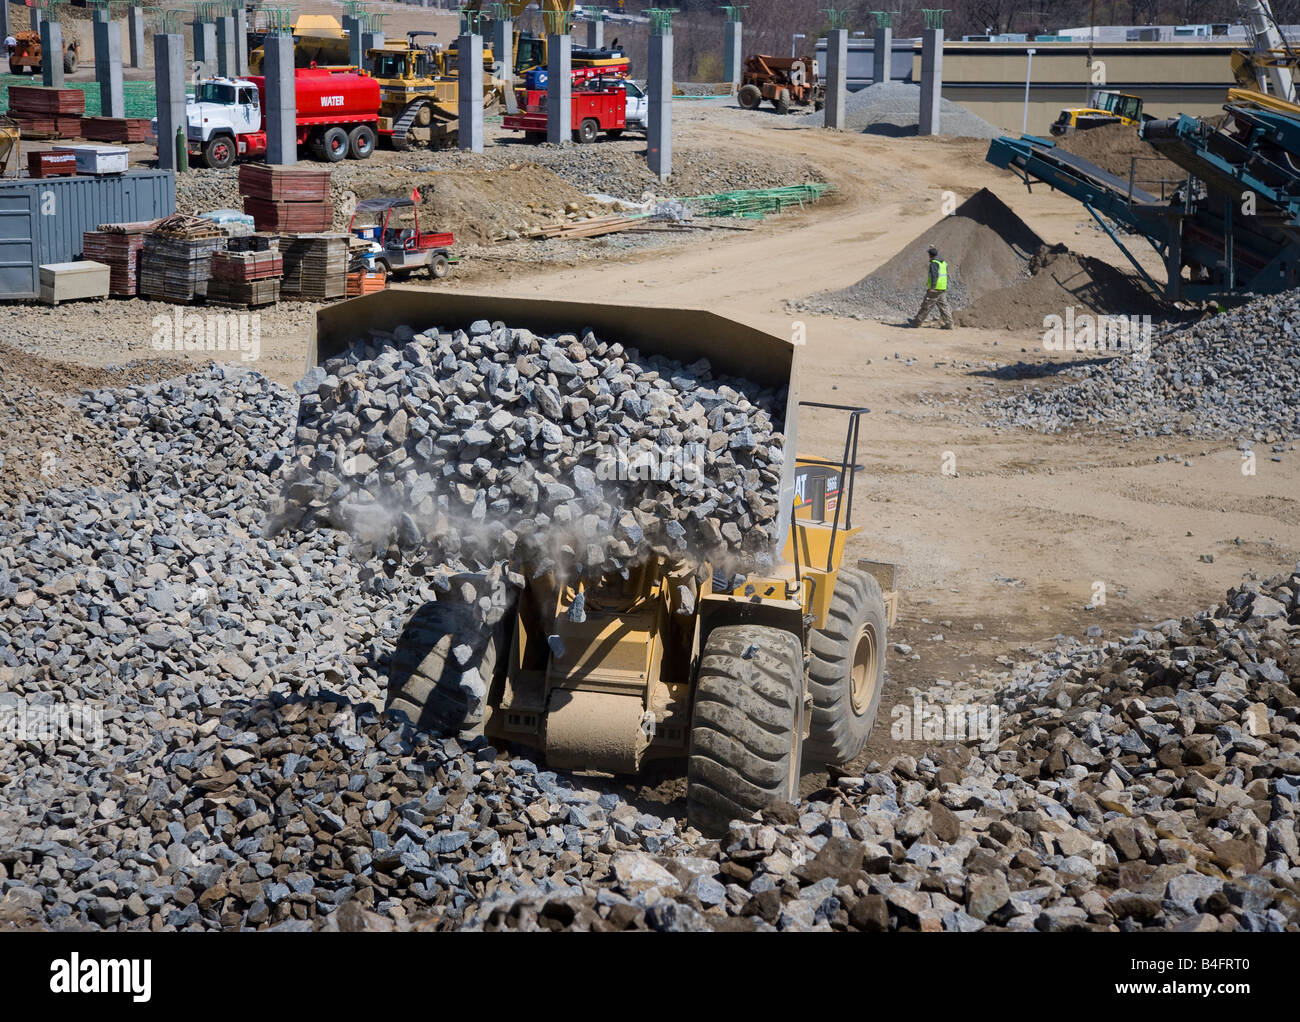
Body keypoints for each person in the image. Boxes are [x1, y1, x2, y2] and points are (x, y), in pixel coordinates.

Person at [910, 245, 954, 329]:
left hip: (935, 289)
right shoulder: (942, 262)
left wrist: (932, 288)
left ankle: (916, 323)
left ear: (930, 255)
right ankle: (949, 324)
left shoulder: (934, 263)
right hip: (942, 288)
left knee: (926, 306)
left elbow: (935, 276)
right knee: (943, 307)